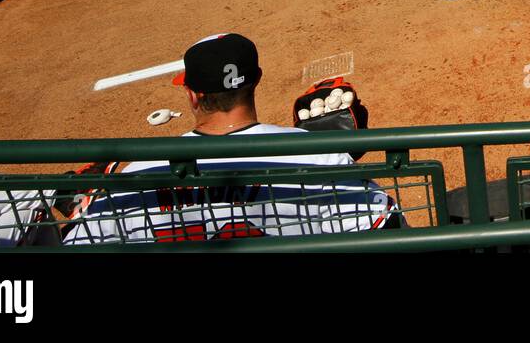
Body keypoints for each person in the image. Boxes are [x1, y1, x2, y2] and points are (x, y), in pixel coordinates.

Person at [58, 33, 396, 243]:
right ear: (257, 80)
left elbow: (77, 243)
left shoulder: (136, 175)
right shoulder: (318, 159)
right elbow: (390, 229)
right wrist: (338, 156)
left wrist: (86, 205)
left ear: (191, 94)